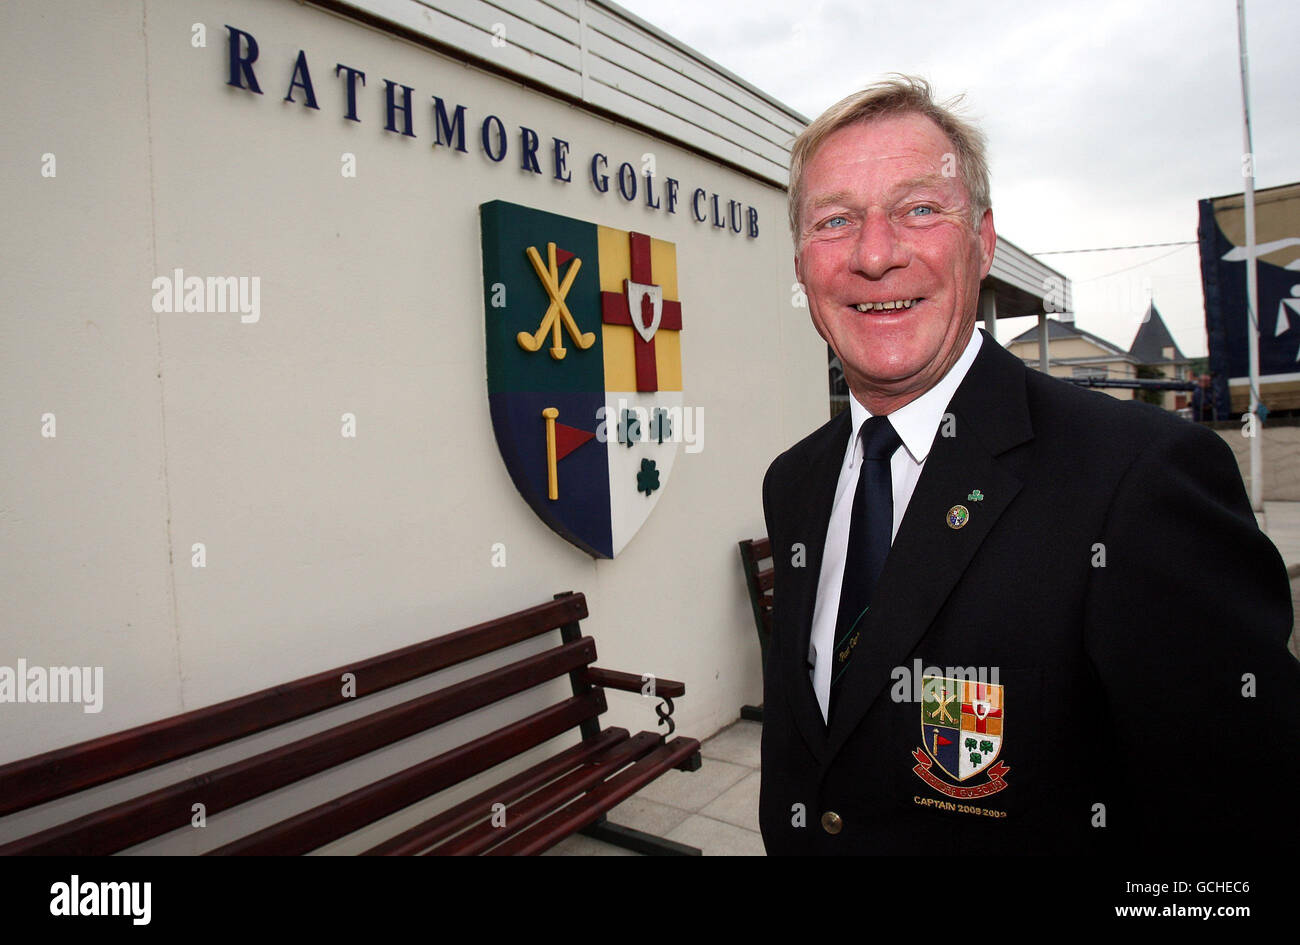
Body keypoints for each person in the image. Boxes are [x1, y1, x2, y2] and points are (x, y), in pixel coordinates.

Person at [759, 75, 1300, 855]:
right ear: (803, 265)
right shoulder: (795, 480)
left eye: (918, 209)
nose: (874, 255)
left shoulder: (1139, 478)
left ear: (981, 243)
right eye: (835, 220)